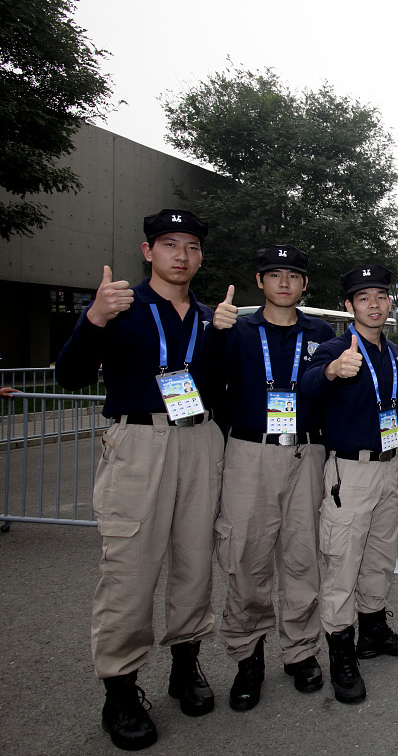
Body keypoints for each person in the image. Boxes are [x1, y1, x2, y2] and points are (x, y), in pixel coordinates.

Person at [56, 209, 222, 750]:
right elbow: (70, 375)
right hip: (139, 442)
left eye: (192, 246)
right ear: (147, 251)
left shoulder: (204, 316)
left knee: (195, 562)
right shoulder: (122, 307)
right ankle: (121, 693)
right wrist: (94, 319)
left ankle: (185, 667)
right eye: (169, 244)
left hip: (198, 440)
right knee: (130, 570)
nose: (182, 255)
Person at [204, 244, 334, 711]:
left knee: (302, 556)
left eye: (294, 275)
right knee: (247, 555)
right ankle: (248, 656)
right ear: (259, 282)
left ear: (304, 284)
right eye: (274, 274)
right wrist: (213, 336)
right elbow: (205, 380)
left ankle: (300, 652)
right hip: (249, 452)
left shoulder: (321, 332)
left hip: (306, 451)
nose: (284, 282)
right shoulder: (235, 329)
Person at [300, 264, 398, 705]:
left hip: (390, 469)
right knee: (342, 565)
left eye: (381, 296)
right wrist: (332, 370)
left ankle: (373, 631)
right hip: (349, 472)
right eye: (364, 297)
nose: (374, 304)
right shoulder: (334, 348)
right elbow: (307, 388)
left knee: (379, 558)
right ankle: (342, 657)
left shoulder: (393, 351)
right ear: (349, 306)